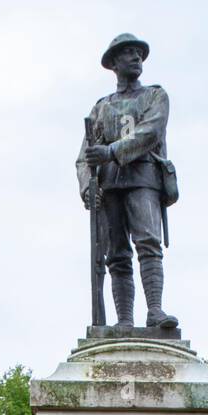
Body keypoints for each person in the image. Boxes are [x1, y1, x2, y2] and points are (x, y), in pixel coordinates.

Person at [77, 33, 178, 332]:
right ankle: (124, 320)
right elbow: (84, 155)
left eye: (138, 53)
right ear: (114, 64)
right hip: (109, 185)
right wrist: (87, 188)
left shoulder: (154, 96)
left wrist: (111, 151)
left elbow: (150, 133)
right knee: (117, 254)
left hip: (143, 177)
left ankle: (155, 311)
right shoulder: (101, 107)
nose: (136, 58)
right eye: (128, 53)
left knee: (148, 243)